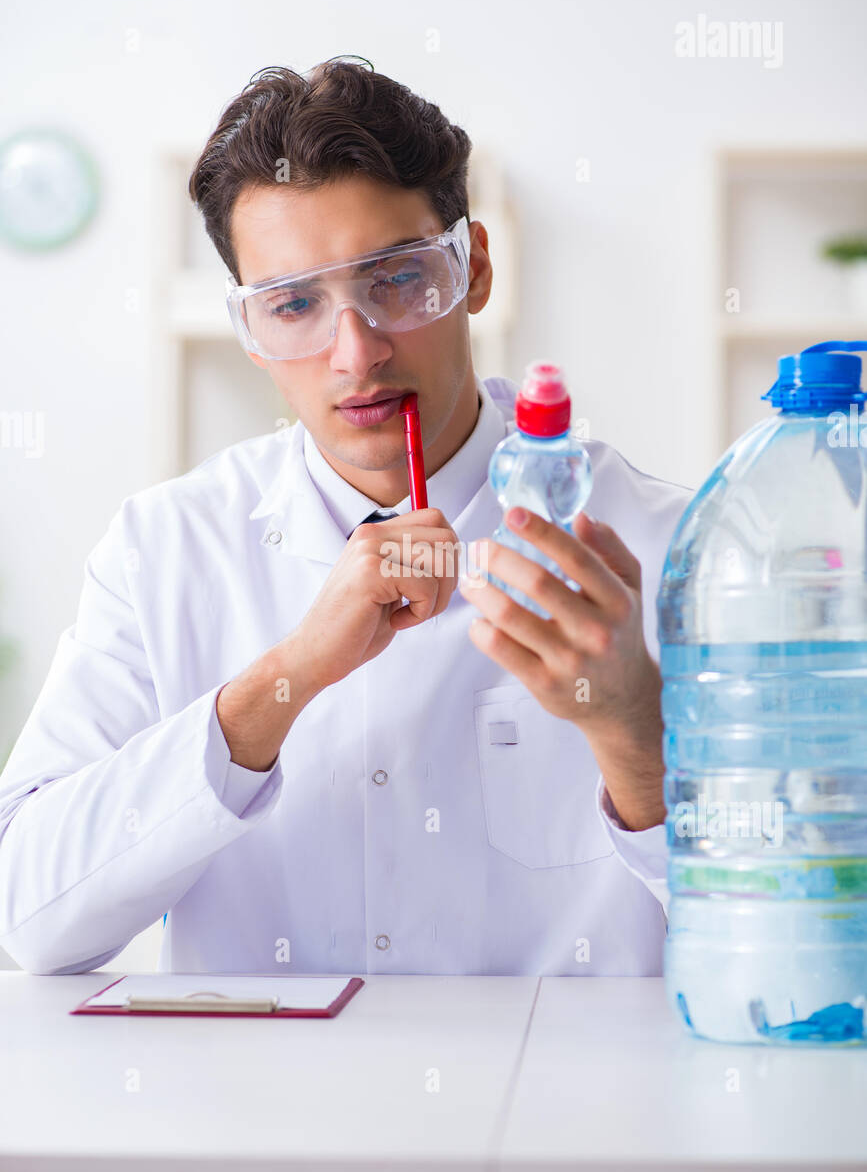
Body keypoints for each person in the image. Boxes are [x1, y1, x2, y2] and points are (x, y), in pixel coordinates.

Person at [0, 58, 693, 976]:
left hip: (576, 1117)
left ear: (472, 269)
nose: (356, 352)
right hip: (260, 1115)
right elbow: (27, 919)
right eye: (294, 304)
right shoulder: (163, 550)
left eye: (397, 280)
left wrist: (631, 736)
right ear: (251, 332)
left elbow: (805, 948)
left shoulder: (668, 544)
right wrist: (283, 680)